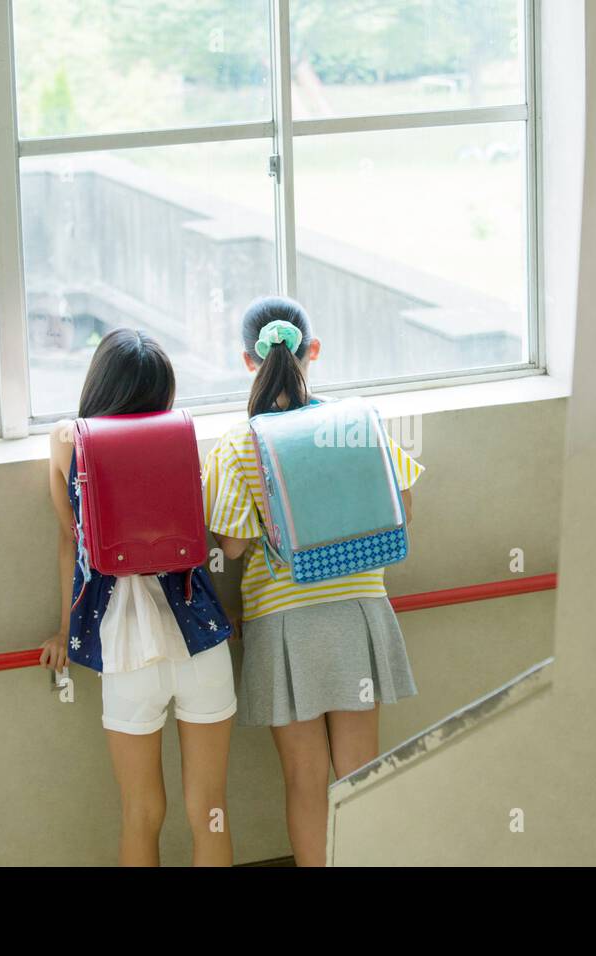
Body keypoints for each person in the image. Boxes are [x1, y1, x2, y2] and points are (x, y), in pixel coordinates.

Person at [202, 296, 423, 866]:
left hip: (283, 621)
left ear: (248, 360)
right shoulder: (356, 424)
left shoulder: (235, 445)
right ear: (313, 351)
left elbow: (231, 545)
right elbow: (399, 509)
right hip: (359, 611)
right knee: (361, 770)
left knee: (304, 779)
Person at [40, 328, 236, 866]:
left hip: (123, 648)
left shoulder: (66, 441)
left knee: (140, 814)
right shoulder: (183, 437)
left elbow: (72, 543)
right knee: (210, 811)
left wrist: (64, 629)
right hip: (200, 636)